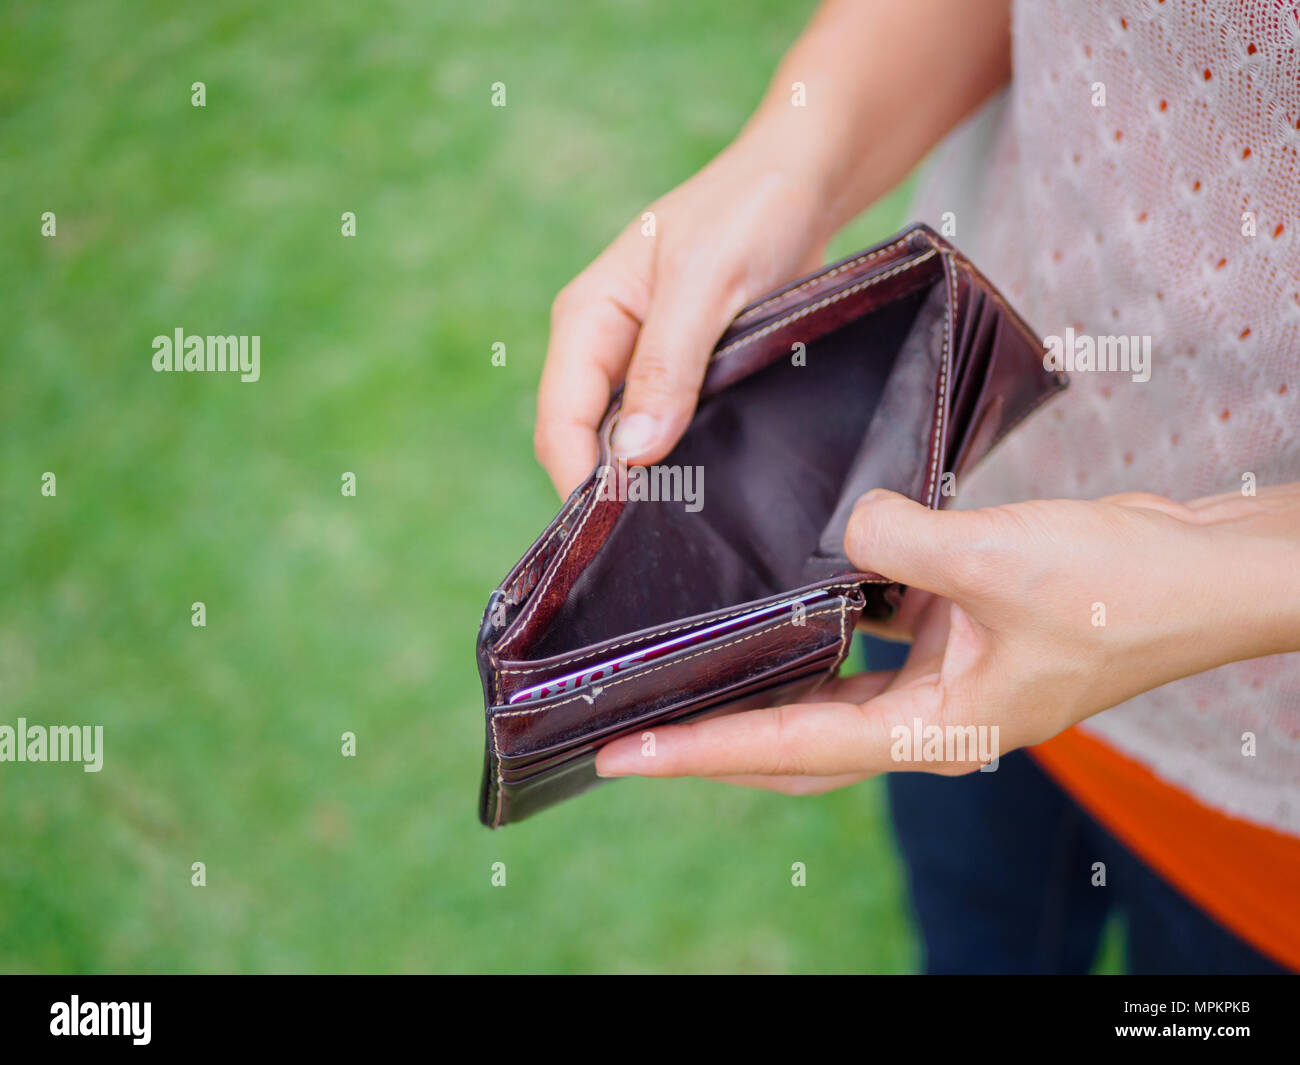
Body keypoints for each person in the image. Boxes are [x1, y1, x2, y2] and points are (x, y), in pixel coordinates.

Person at [532, 0, 1300, 973]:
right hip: (949, 582)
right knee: (974, 938)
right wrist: (792, 161)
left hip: (1270, 791)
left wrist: (1234, 576)